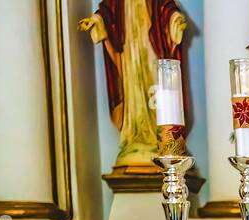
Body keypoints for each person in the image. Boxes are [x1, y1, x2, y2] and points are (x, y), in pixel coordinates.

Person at [80, 0, 187, 171]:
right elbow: (107, 10)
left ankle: (160, 138)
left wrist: (175, 19)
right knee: (134, 90)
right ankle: (135, 138)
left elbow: (166, 6)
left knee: (156, 84)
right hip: (129, 47)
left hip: (151, 44)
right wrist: (96, 20)